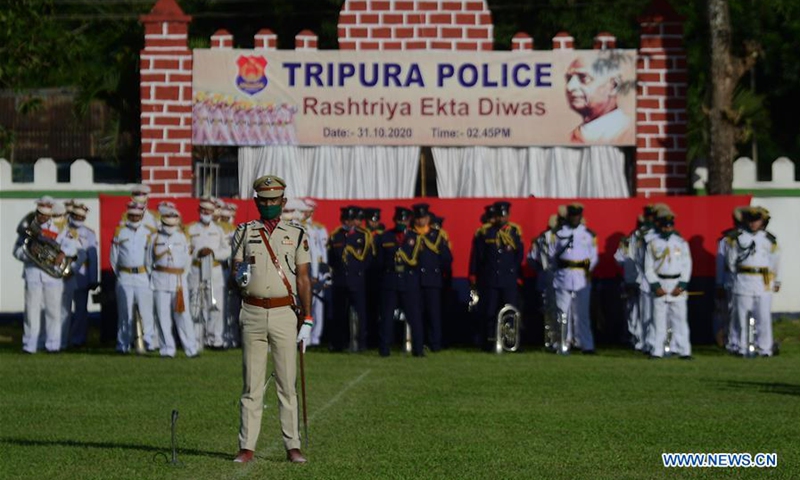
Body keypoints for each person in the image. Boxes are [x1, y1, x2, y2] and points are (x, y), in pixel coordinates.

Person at [230, 174, 312, 464]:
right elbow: (235, 270)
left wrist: (308, 317)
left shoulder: (297, 233)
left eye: (274, 200)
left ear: (283, 201)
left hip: (283, 312)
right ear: (256, 202)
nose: (268, 205)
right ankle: (246, 446)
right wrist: (239, 274)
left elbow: (303, 278)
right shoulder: (243, 232)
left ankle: (292, 445)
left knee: (287, 384)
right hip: (252, 311)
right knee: (251, 385)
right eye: (263, 201)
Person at [13, 199, 80, 353]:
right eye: (40, 213)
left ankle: (53, 345)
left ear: (50, 215)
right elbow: (17, 251)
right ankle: (30, 346)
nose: (42, 217)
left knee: (53, 311)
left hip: (52, 275)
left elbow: (72, 247)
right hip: (32, 274)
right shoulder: (28, 230)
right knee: (31, 311)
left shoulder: (61, 230)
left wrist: (63, 253)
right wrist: (30, 254)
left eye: (45, 215)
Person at [469, 201, 524, 351]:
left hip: (508, 278)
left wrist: (514, 272)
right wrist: (476, 275)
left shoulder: (514, 232)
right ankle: (490, 340)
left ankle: (511, 342)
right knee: (490, 311)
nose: (501, 219)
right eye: (499, 216)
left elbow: (518, 255)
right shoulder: (486, 232)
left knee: (511, 310)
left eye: (504, 216)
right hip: (491, 278)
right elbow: (480, 256)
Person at [726, 207, 780, 357]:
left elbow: (775, 261)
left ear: (762, 222)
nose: (753, 224)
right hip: (743, 280)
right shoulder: (738, 238)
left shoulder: (768, 239)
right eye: (750, 220)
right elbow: (731, 261)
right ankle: (742, 347)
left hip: (763, 281)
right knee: (742, 316)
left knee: (763, 316)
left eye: (756, 220)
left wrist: (777, 281)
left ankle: (764, 348)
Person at [147, 208, 198, 358]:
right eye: (167, 225)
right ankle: (167, 349)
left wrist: (182, 276)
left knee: (183, 315)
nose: (169, 228)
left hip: (178, 281)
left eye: (172, 225)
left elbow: (188, 261)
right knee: (162, 316)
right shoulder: (154, 237)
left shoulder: (182, 237)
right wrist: (154, 277)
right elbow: (148, 260)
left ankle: (191, 349)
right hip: (160, 280)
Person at [549, 203, 598, 353]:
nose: (575, 218)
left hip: (582, 277)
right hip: (563, 275)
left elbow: (593, 257)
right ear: (568, 216)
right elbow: (551, 255)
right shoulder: (558, 233)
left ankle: (586, 344)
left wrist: (587, 272)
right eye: (572, 215)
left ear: (581, 216)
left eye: (577, 215)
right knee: (562, 312)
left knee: (582, 313)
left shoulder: (588, 234)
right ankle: (563, 342)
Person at [644, 209, 693, 359]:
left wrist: (682, 285)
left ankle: (684, 350)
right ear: (659, 225)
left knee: (680, 319)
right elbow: (648, 268)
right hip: (660, 282)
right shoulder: (652, 243)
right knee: (658, 320)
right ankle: (657, 351)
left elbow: (687, 264)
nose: (667, 229)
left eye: (670, 226)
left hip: (676, 282)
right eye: (665, 226)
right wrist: (655, 286)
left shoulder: (681, 243)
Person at [376, 207, 424, 356]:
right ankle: (384, 349)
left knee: (414, 317)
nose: (401, 223)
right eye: (398, 220)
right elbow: (379, 261)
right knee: (387, 316)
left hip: (408, 280)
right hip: (390, 279)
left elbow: (419, 261)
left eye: (404, 220)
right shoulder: (385, 237)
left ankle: (418, 349)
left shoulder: (415, 238)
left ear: (409, 221)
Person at [110, 201, 157, 353]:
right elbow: (114, 257)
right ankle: (123, 344)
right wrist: (120, 274)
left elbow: (152, 256)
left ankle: (149, 342)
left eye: (137, 216)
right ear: (128, 215)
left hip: (143, 275)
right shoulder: (120, 232)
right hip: (125, 276)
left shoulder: (150, 233)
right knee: (125, 312)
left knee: (146, 311)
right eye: (132, 215)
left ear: (142, 216)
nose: (135, 218)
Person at [327, 205, 373, 352]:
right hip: (340, 280)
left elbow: (368, 258)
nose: (348, 222)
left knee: (360, 313)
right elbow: (331, 258)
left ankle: (361, 343)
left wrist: (359, 272)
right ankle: (339, 344)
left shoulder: (363, 236)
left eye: (351, 219)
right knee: (339, 313)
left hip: (356, 280)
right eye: (346, 219)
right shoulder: (336, 236)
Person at [187, 198, 232, 350]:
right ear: (199, 211)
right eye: (203, 210)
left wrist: (213, 253)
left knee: (216, 306)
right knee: (196, 305)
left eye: (209, 211)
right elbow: (185, 250)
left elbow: (228, 250)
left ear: (213, 213)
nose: (206, 213)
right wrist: (197, 254)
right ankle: (197, 340)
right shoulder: (191, 229)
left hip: (214, 270)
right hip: (196, 270)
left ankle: (215, 339)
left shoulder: (219, 230)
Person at [411, 203, 453, 352]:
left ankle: (435, 343)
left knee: (433, 314)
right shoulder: (411, 235)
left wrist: (439, 272)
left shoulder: (437, 235)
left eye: (423, 218)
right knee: (417, 314)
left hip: (432, 280)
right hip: (415, 281)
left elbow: (446, 258)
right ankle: (419, 342)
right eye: (418, 218)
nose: (420, 221)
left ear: (428, 219)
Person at [565, 53, 634, 144]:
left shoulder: (630, 131)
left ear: (614, 86)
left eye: (584, 78)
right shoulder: (571, 137)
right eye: (569, 79)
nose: (569, 87)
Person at [65, 203, 99, 348]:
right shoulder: (63, 229)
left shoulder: (89, 233)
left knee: (80, 310)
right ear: (71, 215)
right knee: (63, 309)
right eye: (76, 216)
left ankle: (78, 339)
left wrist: (93, 279)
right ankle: (61, 338)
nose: (78, 219)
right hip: (63, 274)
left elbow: (93, 257)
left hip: (81, 275)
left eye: (81, 217)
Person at [528, 214, 560, 350]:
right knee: (560, 309)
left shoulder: (540, 238)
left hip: (545, 275)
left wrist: (540, 270)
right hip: (558, 275)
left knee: (548, 309)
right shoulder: (562, 237)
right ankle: (561, 339)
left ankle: (550, 339)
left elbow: (531, 258)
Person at [301, 198, 330, 347]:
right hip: (304, 267)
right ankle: (304, 337)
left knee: (318, 304)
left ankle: (316, 337)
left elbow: (323, 250)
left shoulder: (319, 228)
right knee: (306, 303)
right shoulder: (298, 226)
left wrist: (325, 271)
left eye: (307, 210)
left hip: (318, 268)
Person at [716, 207, 744, 353]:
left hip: (748, 280)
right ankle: (733, 341)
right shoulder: (727, 240)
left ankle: (747, 341)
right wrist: (719, 283)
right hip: (731, 280)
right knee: (732, 311)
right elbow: (721, 263)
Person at [615, 215, 645, 351]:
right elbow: (618, 259)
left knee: (644, 311)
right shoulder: (627, 240)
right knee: (632, 312)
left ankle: (643, 340)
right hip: (630, 280)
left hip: (645, 281)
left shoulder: (650, 239)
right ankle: (636, 338)